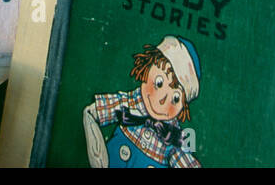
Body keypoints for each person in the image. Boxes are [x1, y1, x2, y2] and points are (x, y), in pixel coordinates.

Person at [83, 36, 202, 168]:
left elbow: (186, 161)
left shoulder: (173, 136)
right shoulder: (129, 104)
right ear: (147, 67)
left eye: (175, 98)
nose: (162, 99)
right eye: (159, 83)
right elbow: (94, 112)